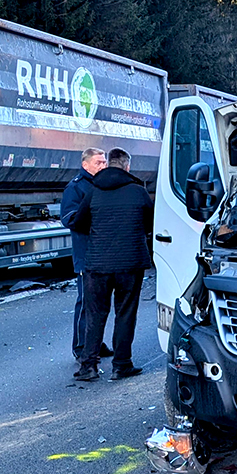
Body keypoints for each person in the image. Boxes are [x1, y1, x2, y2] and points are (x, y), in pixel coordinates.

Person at [75, 147, 153, 381]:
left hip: (97, 264)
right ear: (127, 166)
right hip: (130, 263)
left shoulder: (93, 191)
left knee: (95, 315)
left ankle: (88, 367)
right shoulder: (138, 192)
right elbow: (149, 224)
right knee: (125, 314)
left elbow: (79, 223)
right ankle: (121, 365)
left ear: (108, 165)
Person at [61, 147, 110, 371]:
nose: (103, 166)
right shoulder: (76, 187)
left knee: (102, 303)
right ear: (85, 165)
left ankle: (96, 343)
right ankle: (81, 347)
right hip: (87, 254)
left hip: (105, 253)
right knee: (86, 302)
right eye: (98, 162)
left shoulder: (104, 184)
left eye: (104, 162)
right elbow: (68, 218)